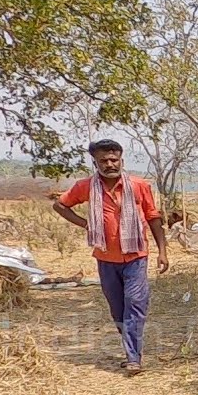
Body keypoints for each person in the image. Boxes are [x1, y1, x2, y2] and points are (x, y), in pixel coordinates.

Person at [53, 139, 168, 375]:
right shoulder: (85, 186)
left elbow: (153, 217)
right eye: (103, 160)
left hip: (136, 256)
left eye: (113, 159)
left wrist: (163, 251)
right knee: (117, 309)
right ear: (95, 162)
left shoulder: (138, 186)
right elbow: (60, 205)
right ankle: (130, 348)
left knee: (135, 305)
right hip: (105, 258)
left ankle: (133, 357)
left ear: (121, 160)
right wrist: (86, 224)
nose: (109, 164)